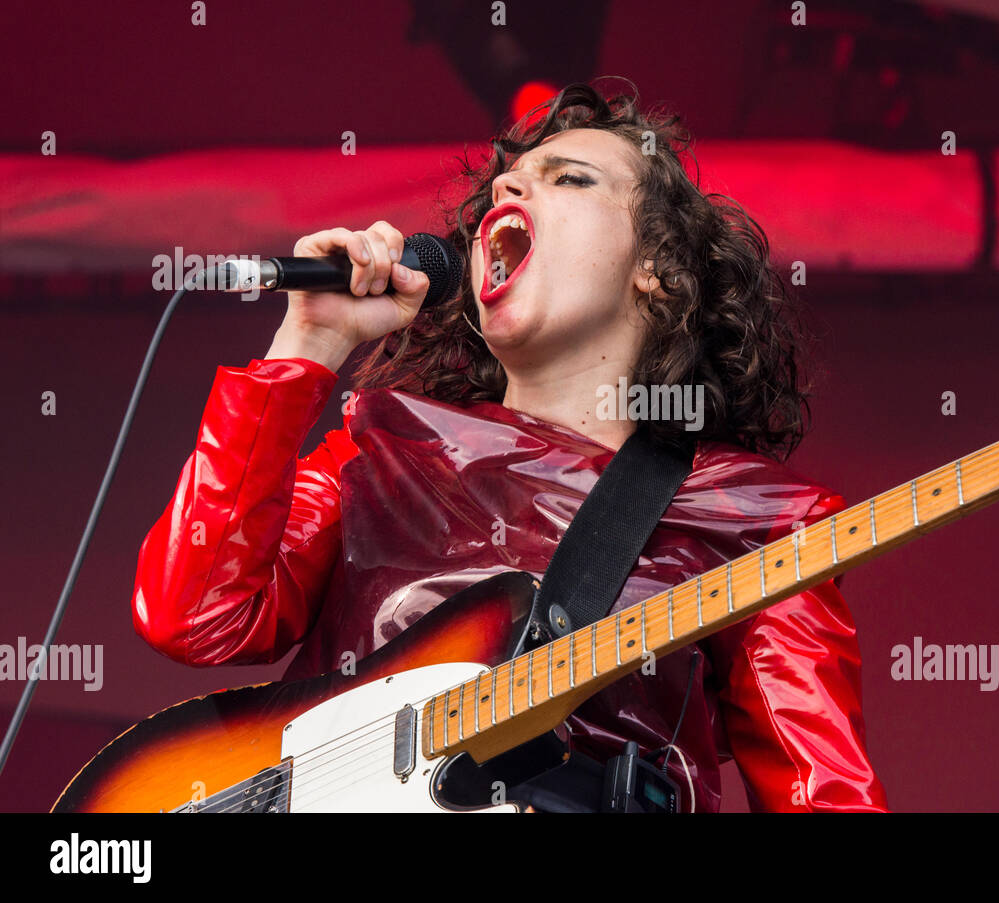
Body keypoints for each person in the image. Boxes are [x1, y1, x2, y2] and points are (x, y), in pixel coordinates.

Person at [131, 81, 889, 812]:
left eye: (569, 178)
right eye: (504, 183)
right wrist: (310, 341)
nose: (508, 192)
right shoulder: (378, 456)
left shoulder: (747, 516)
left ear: (657, 271)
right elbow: (195, 616)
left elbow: (825, 795)